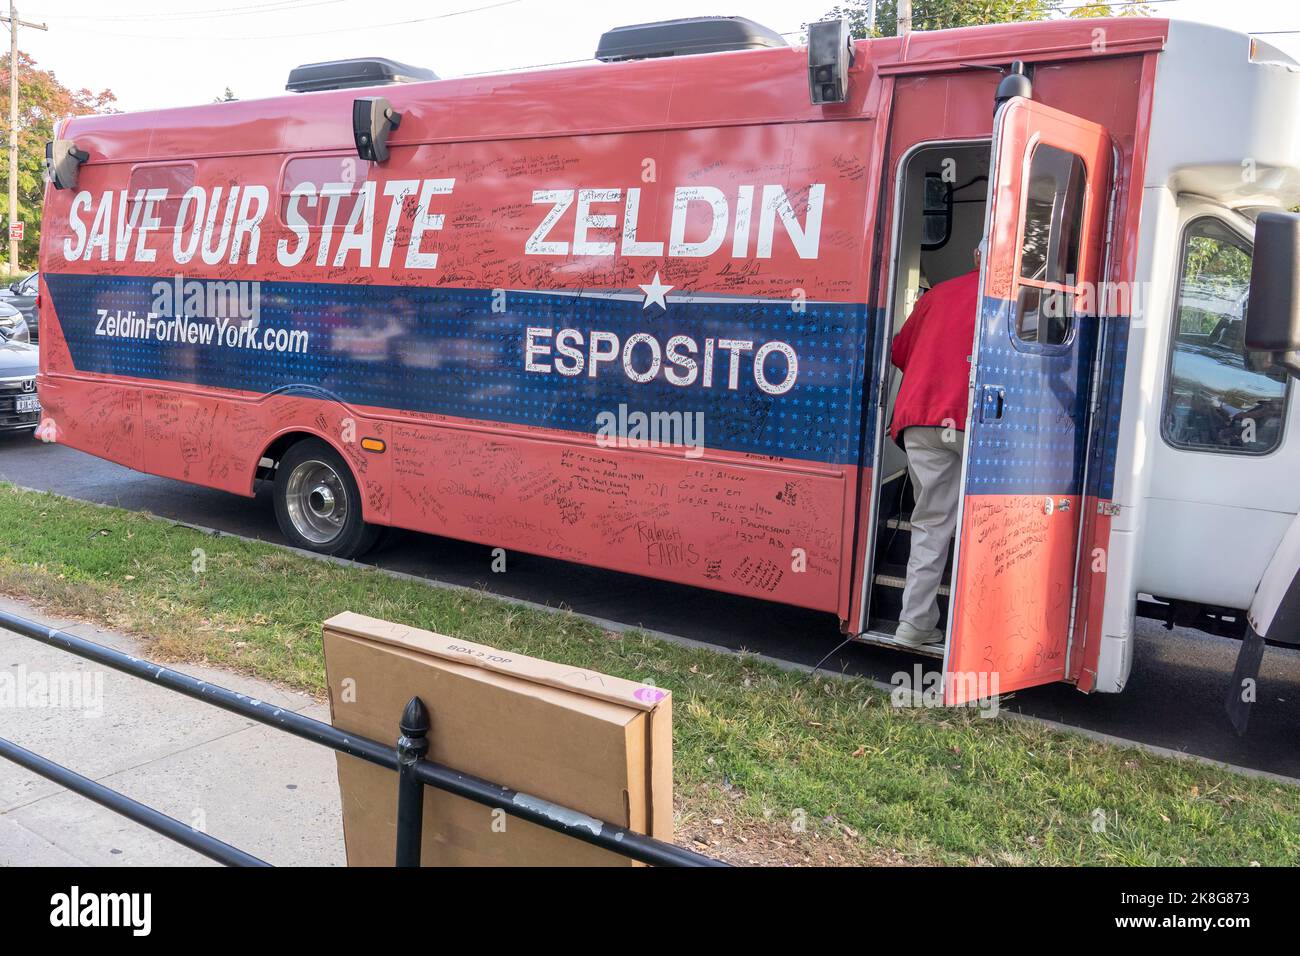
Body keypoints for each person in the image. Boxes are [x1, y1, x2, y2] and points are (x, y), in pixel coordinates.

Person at [888, 245, 981, 647]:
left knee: (930, 523)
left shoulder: (939, 293)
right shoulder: (1017, 299)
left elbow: (899, 351)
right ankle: (981, 633)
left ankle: (914, 622)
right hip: (976, 421)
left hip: (923, 419)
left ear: (976, 255)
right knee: (987, 528)